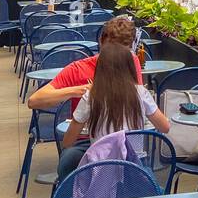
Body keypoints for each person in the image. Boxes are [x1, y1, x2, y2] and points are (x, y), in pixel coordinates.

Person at [54, 41, 170, 187]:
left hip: (99, 172)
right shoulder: (141, 93)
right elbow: (165, 127)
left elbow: (68, 142)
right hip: (134, 169)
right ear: (130, 68)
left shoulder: (91, 96)